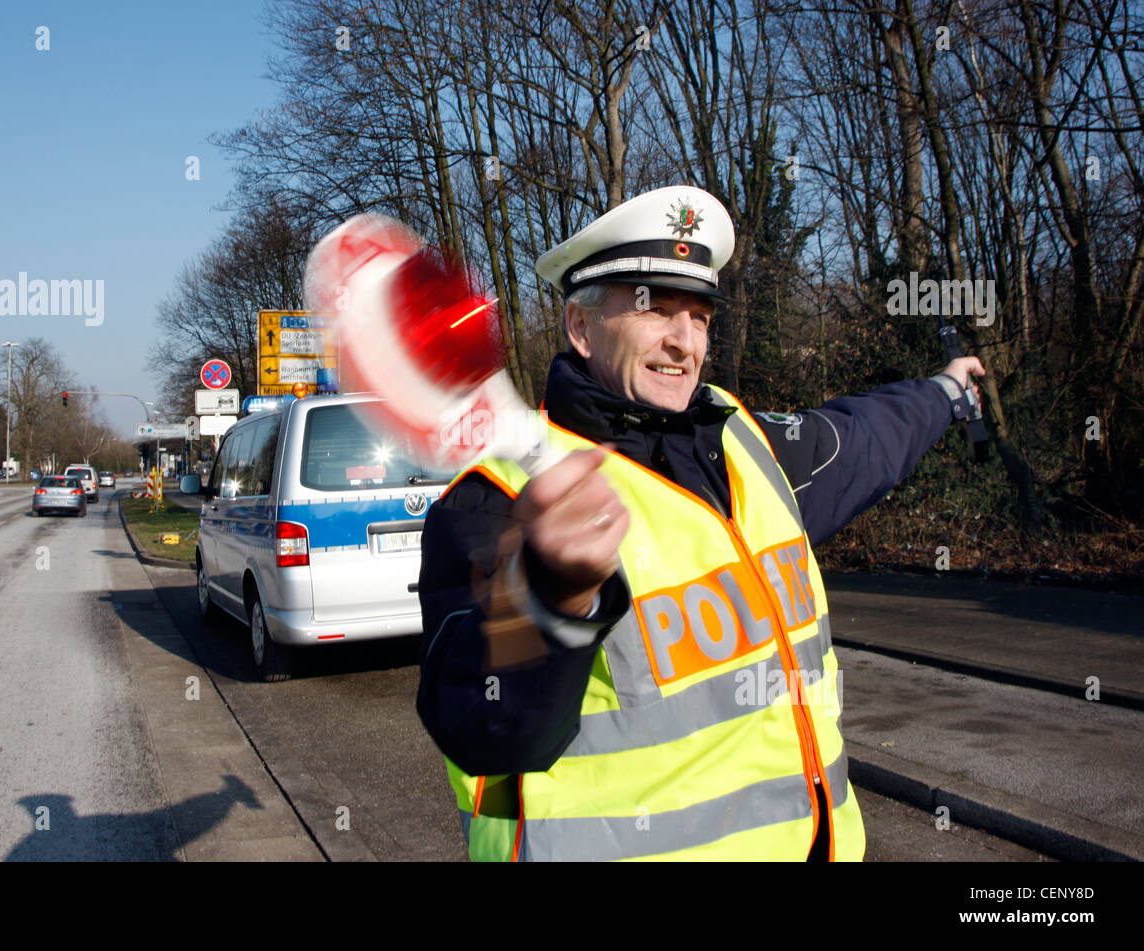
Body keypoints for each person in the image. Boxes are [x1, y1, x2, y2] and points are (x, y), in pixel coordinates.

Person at [414, 185, 986, 862]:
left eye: (701, 315)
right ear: (579, 326)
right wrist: (553, 599)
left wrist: (945, 391)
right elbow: (484, 731)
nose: (685, 341)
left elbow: (869, 436)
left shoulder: (750, 446)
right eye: (656, 308)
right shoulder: (496, 501)